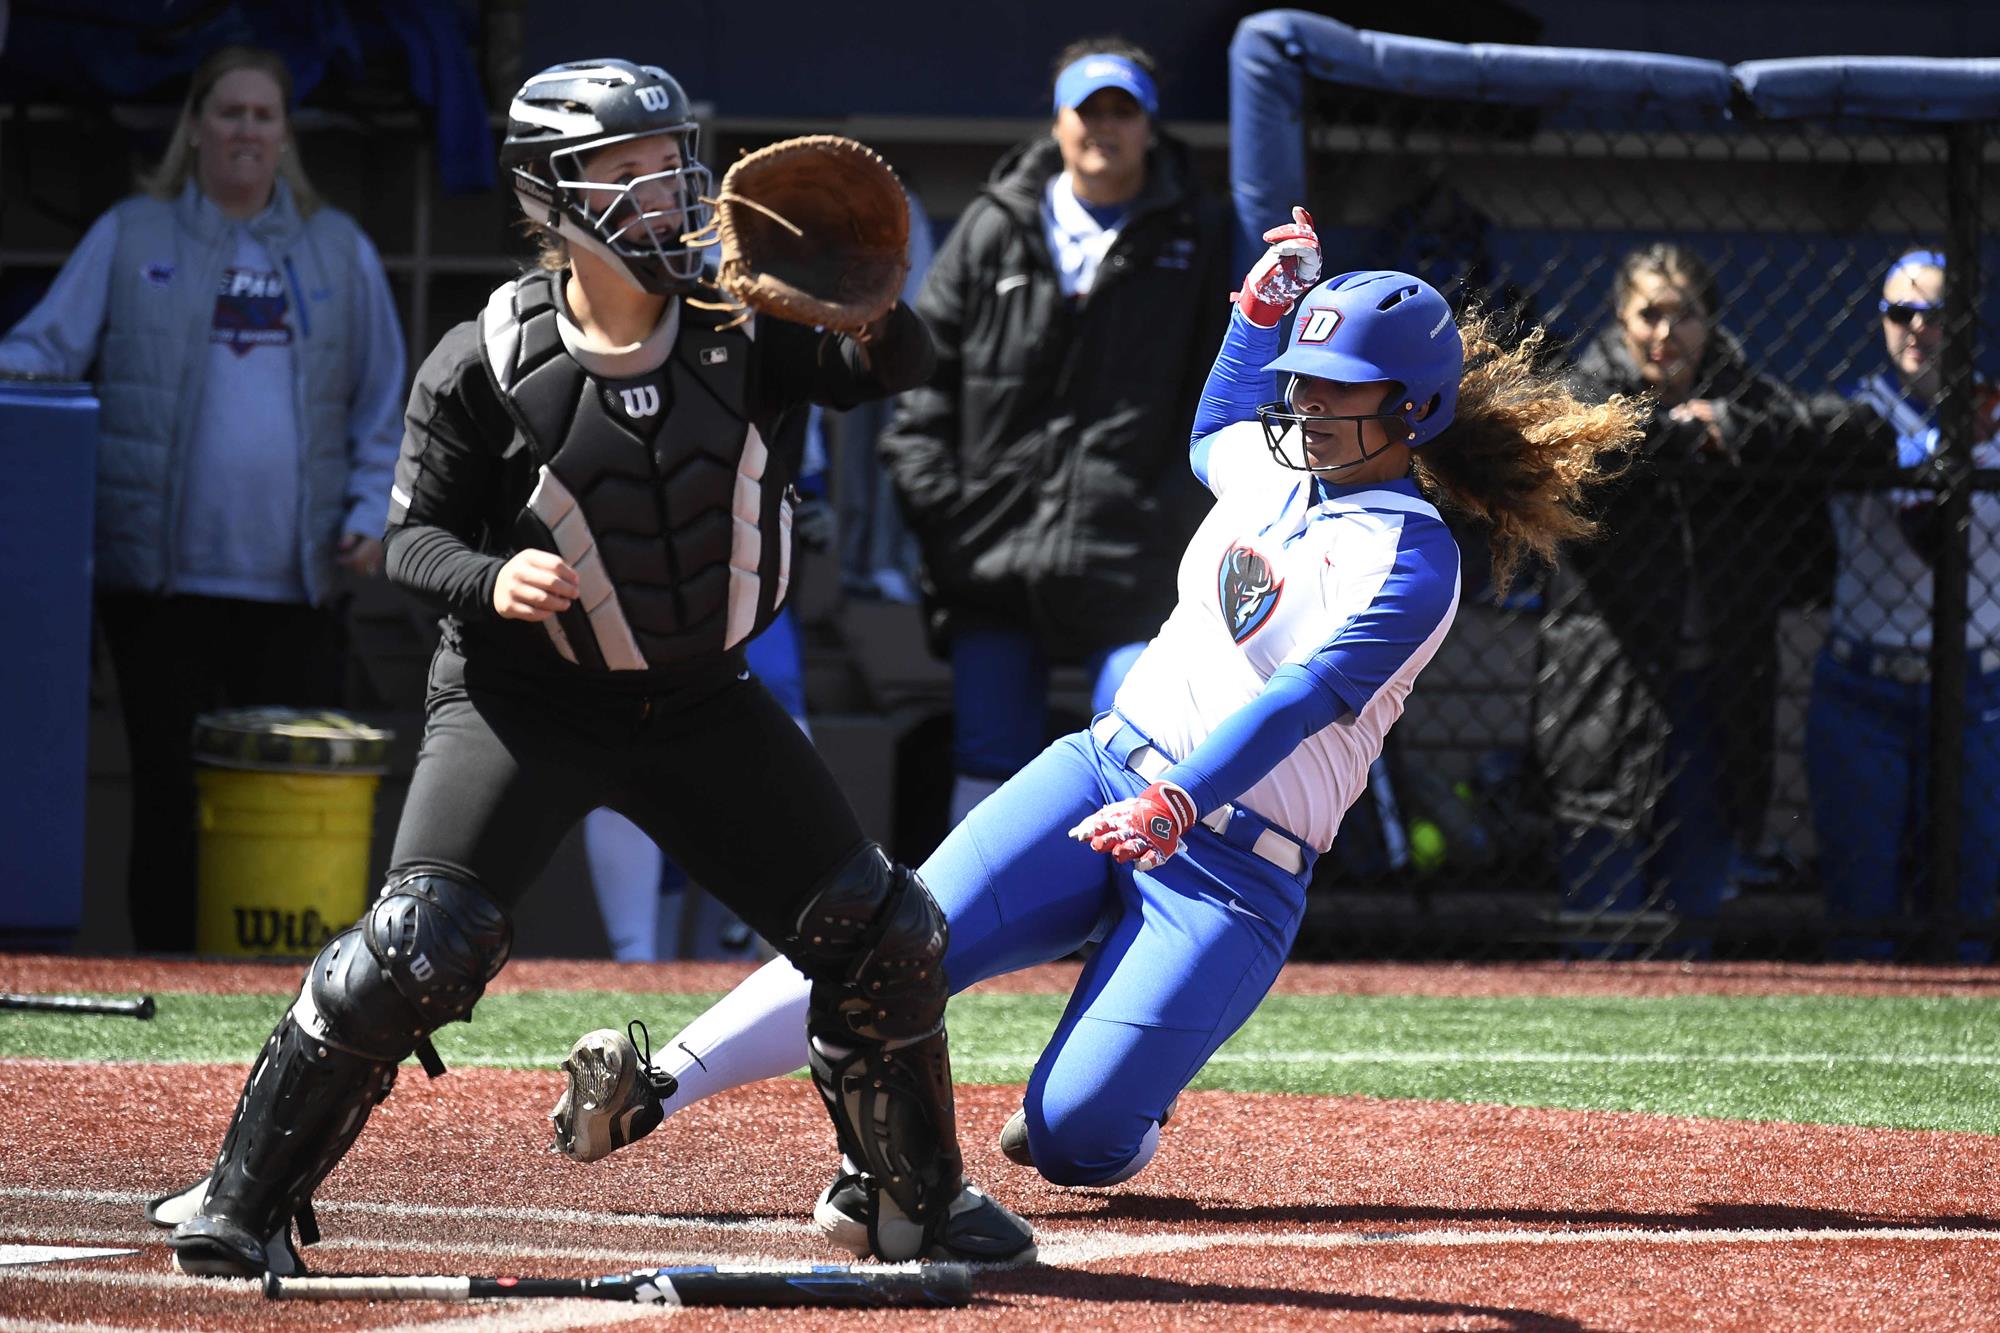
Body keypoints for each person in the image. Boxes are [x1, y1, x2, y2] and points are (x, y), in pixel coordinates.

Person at [147, 57, 1033, 1277]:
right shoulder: (486, 356)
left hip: (699, 701)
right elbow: (412, 538)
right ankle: (241, 1200)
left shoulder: (749, 324)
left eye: (670, 164)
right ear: (549, 198)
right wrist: (488, 578)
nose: (664, 193)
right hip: (524, 698)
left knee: (883, 934)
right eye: (623, 171)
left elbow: (896, 365)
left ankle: (907, 1197)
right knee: (415, 946)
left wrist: (877, 301)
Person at [545, 212, 1642, 1190]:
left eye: (1335, 386)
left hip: (1230, 869)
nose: (1304, 402)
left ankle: (1126, 1105)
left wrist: (1177, 802)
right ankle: (655, 1080)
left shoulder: (1416, 560)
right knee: (894, 932)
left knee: (1070, 1140)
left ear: (1413, 407)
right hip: (1107, 765)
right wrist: (1258, 314)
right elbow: (1217, 421)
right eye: (1300, 379)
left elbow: (1304, 700)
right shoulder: (1274, 464)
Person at [0, 44, 406, 953]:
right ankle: (173, 977)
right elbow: (39, 351)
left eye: (265, 116)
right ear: (194, 126)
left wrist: (367, 510)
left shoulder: (338, 247)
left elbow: (388, 398)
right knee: (168, 801)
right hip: (159, 586)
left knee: (291, 804)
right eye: (230, 113)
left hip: (300, 587)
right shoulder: (132, 234)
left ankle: (296, 1003)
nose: (247, 131)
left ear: (285, 135)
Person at [878, 38, 1235, 829]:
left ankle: (1125, 941)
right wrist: (947, 514)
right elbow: (920, 387)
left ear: (1149, 125)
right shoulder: (993, 225)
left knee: (1147, 747)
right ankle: (975, 943)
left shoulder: (1203, 233)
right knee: (988, 759)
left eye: (1123, 109)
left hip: (1137, 562)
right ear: (1058, 121)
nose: (1104, 127)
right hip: (992, 558)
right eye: (1088, 109)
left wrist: (1176, 523)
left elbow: (1229, 393)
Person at [1536, 243, 1817, 957]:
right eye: (1649, 315)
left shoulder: (1748, 397)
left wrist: (1730, 426)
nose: (1666, 333)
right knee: (1602, 917)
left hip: (1716, 692)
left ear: (1710, 323)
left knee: (1694, 921)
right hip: (1610, 683)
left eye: (1685, 315)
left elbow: (1821, 432)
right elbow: (1599, 437)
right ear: (1622, 322)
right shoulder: (1588, 391)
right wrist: (1693, 434)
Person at [1805, 249, 2000, 961]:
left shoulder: (1996, 412)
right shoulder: (1859, 415)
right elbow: (1921, 523)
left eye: (1935, 311)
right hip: (1865, 687)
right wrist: (1946, 447)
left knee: (1968, 910)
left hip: (1981, 685)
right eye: (1900, 311)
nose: (1918, 325)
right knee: (1861, 916)